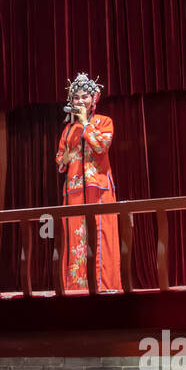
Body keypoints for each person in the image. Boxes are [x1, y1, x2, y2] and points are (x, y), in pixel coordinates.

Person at [54, 73, 121, 292]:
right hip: (73, 191)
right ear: (71, 102)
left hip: (99, 188)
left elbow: (101, 146)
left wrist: (85, 125)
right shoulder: (67, 130)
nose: (81, 101)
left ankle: (106, 287)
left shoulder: (104, 122)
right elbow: (60, 163)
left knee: (102, 238)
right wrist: (65, 158)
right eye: (76, 98)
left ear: (94, 99)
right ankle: (77, 289)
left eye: (85, 97)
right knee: (76, 242)